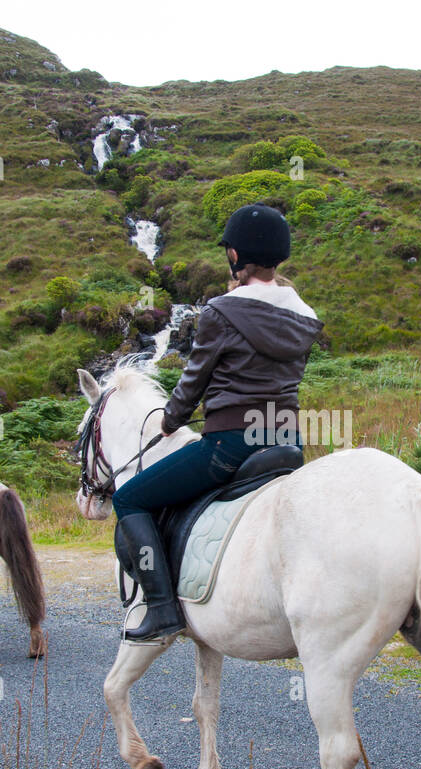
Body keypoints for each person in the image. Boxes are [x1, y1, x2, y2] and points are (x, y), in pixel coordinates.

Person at [111, 203, 324, 641]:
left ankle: (161, 609)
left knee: (130, 499)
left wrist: (170, 421)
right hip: (287, 441)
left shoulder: (222, 311)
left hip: (229, 446)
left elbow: (194, 379)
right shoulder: (304, 315)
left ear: (236, 256)